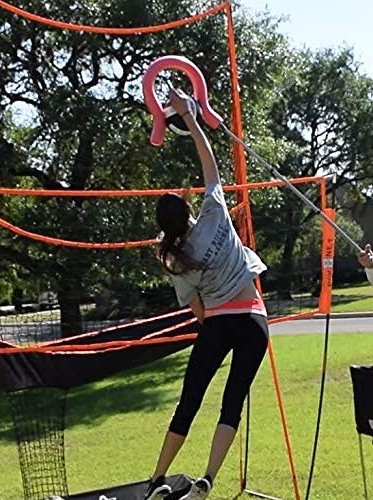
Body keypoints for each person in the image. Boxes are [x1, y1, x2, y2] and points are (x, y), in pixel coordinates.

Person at [144, 89, 269, 500]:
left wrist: (215, 322)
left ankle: (157, 478)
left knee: (189, 402)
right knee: (232, 403)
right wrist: (189, 117)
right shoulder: (215, 211)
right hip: (253, 320)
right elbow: (208, 161)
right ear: (187, 207)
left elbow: (197, 311)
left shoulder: (176, 259)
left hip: (216, 324)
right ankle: (208, 479)